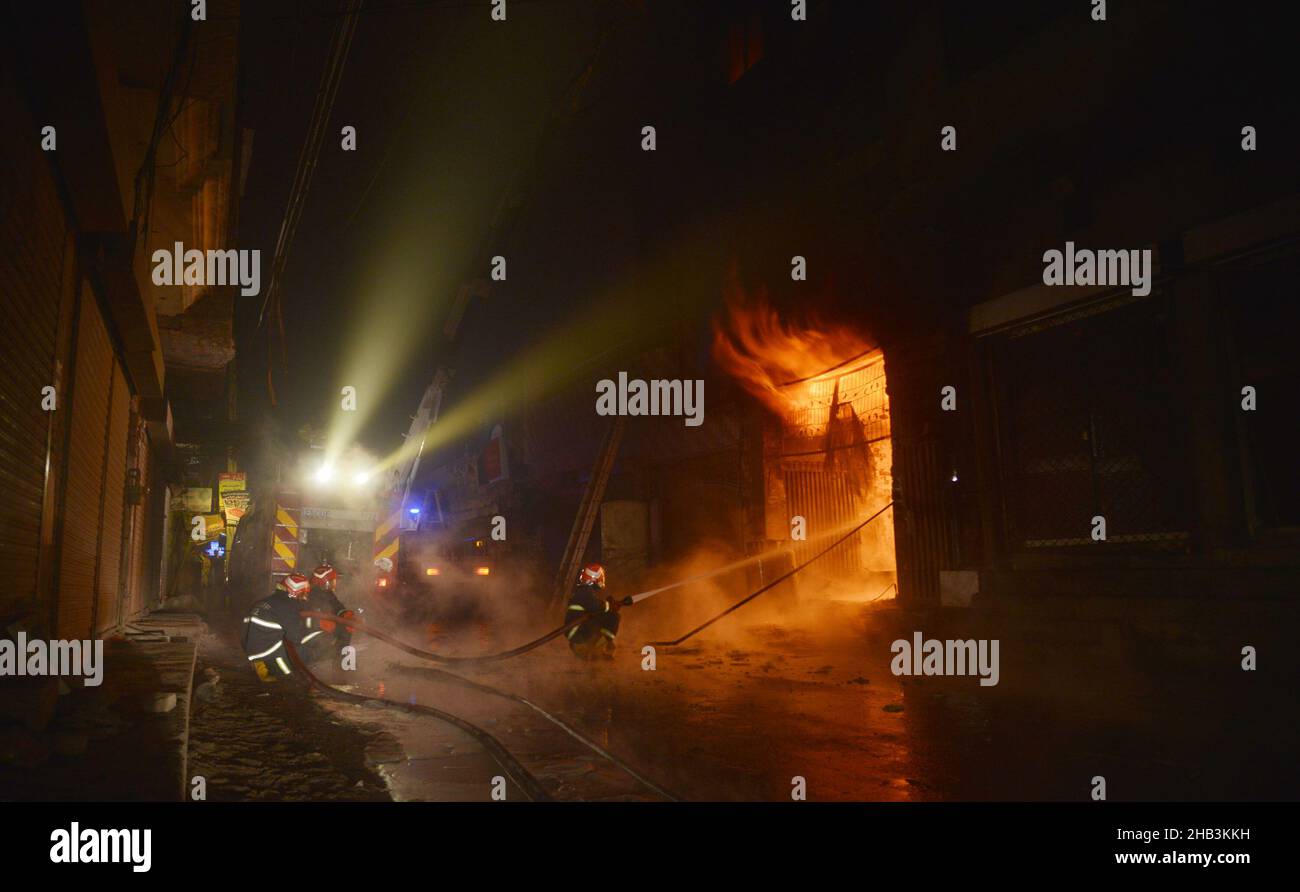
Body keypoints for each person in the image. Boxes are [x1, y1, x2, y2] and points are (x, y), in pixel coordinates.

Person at [241, 572, 312, 682]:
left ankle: (260, 665)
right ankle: (278, 671)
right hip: (270, 658)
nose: (305, 598)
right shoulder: (289, 606)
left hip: (253, 654)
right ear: (294, 592)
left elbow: (244, 635)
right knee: (307, 649)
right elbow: (295, 637)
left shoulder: (264, 602)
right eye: (303, 594)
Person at [564, 563, 629, 659]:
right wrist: (610, 606)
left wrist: (610, 604)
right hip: (577, 633)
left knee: (606, 617)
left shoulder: (583, 591)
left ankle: (592, 648)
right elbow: (597, 607)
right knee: (613, 617)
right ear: (595, 578)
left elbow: (595, 606)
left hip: (576, 630)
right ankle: (592, 648)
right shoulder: (585, 591)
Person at [301, 563, 357, 664]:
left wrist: (346, 614)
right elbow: (307, 619)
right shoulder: (309, 594)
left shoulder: (327, 593)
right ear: (323, 581)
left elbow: (337, 607)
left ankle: (338, 659)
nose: (333, 584)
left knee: (346, 630)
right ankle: (314, 658)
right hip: (306, 633)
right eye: (331, 581)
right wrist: (328, 625)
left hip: (320, 628)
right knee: (342, 632)